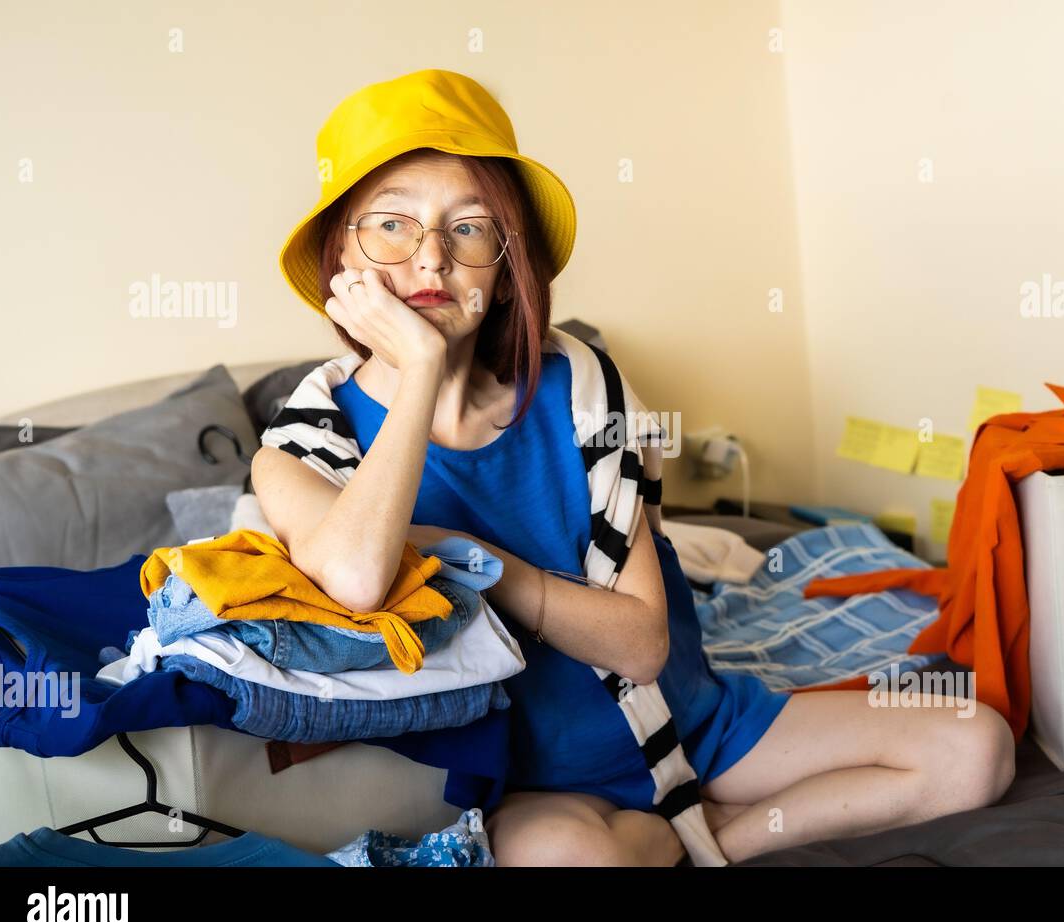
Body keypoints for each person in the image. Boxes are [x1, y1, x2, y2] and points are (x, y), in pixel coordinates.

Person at [253, 69, 1015, 867]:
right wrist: (417, 368)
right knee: (576, 860)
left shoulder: (583, 389)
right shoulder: (301, 445)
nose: (432, 260)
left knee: (976, 747)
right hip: (534, 785)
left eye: (470, 228)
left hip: (691, 725)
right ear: (341, 255)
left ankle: (703, 839)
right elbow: (357, 578)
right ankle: (672, 835)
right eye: (391, 225)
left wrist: (473, 560)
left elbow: (643, 645)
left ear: (506, 267)